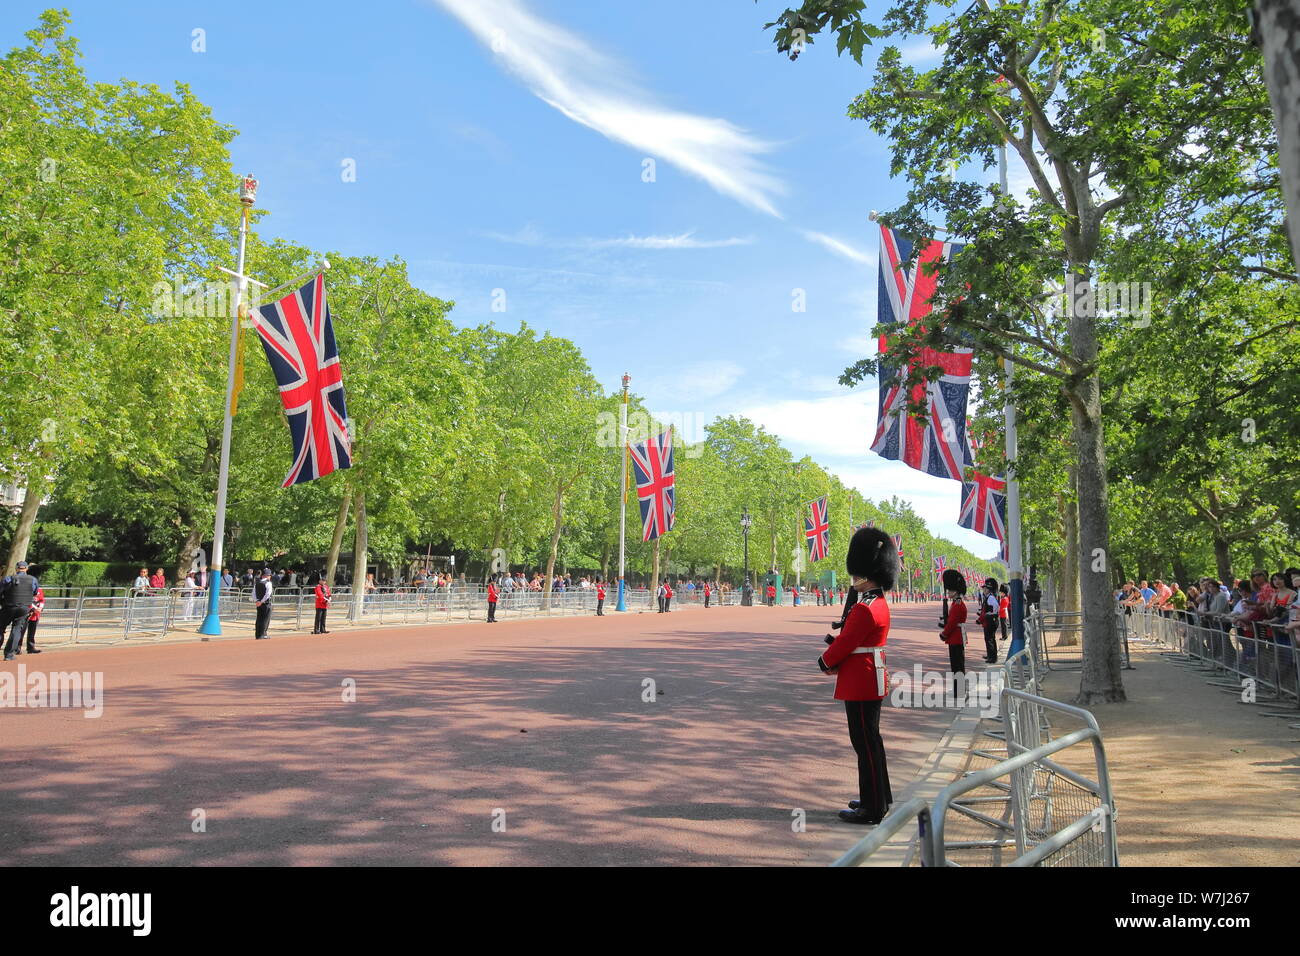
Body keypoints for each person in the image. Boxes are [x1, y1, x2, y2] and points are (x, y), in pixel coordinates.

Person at [818, 527, 897, 825]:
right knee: (871, 742)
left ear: (866, 572)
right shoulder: (874, 603)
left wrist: (825, 660)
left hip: (860, 680)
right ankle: (878, 797)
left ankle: (872, 809)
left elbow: (846, 643)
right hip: (868, 675)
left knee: (864, 743)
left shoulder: (865, 608)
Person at [1, 562, 40, 661]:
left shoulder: (9, 578)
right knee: (17, 629)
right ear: (26, 568)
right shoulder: (33, 580)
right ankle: (9, 655)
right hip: (24, 608)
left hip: (8, 606)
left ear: (16, 569)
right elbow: (35, 592)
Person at [939, 569, 967, 675]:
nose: (948, 592)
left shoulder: (958, 604)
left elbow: (952, 622)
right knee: (957, 666)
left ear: (955, 591)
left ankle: (959, 691)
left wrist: (944, 634)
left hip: (955, 637)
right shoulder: (957, 602)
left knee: (957, 667)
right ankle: (958, 690)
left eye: (950, 590)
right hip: (956, 636)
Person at [979, 578, 1000, 664]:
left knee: (990, 639)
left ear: (989, 589)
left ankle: (993, 657)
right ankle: (990, 655)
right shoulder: (988, 597)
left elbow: (995, 607)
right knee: (988, 638)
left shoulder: (990, 597)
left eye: (985, 588)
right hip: (990, 619)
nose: (984, 590)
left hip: (991, 620)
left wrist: (989, 613)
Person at [22, 583, 45, 654]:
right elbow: (26, 600)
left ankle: (31, 647)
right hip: (27, 612)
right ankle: (17, 648)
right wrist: (34, 608)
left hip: (36, 614)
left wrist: (40, 608)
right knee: (21, 632)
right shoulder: (25, 589)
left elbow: (42, 600)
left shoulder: (39, 590)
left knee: (32, 632)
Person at [253, 568, 273, 639]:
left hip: (258, 604)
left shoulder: (257, 583)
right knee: (265, 619)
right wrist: (262, 601)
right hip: (266, 603)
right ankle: (263, 634)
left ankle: (258, 634)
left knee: (259, 618)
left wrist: (257, 601)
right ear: (267, 575)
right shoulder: (268, 583)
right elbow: (268, 594)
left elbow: (253, 594)